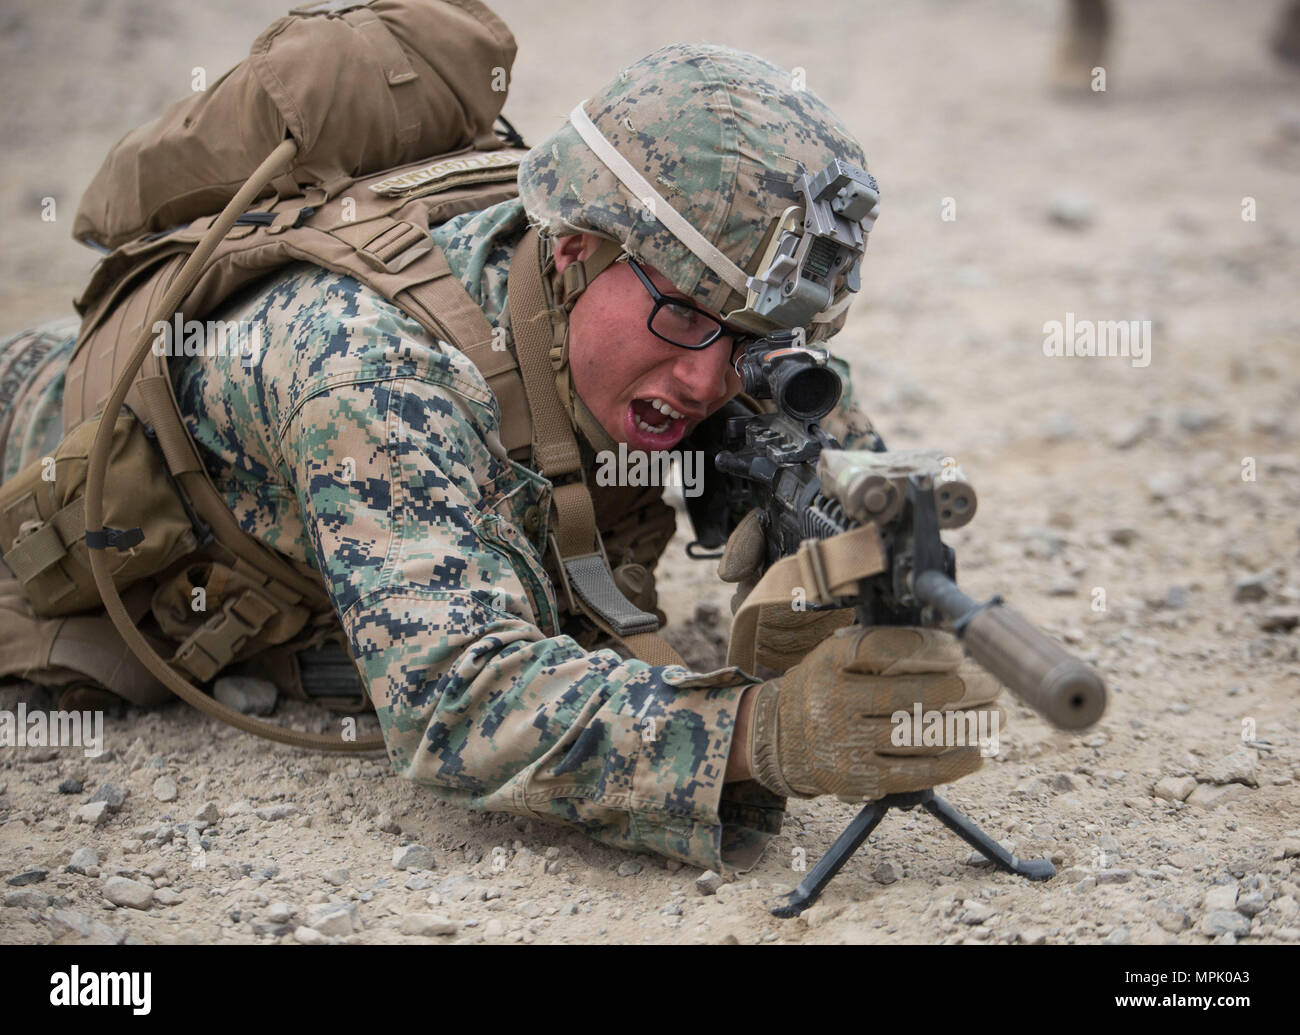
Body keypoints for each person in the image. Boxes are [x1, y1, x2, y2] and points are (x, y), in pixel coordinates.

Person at [0, 43, 999, 872]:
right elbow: (459, 701)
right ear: (575, 250)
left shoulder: (719, 345)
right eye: (685, 316)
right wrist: (761, 732)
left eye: (758, 345)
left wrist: (840, 564)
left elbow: (828, 459)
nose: (706, 382)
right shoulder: (372, 369)